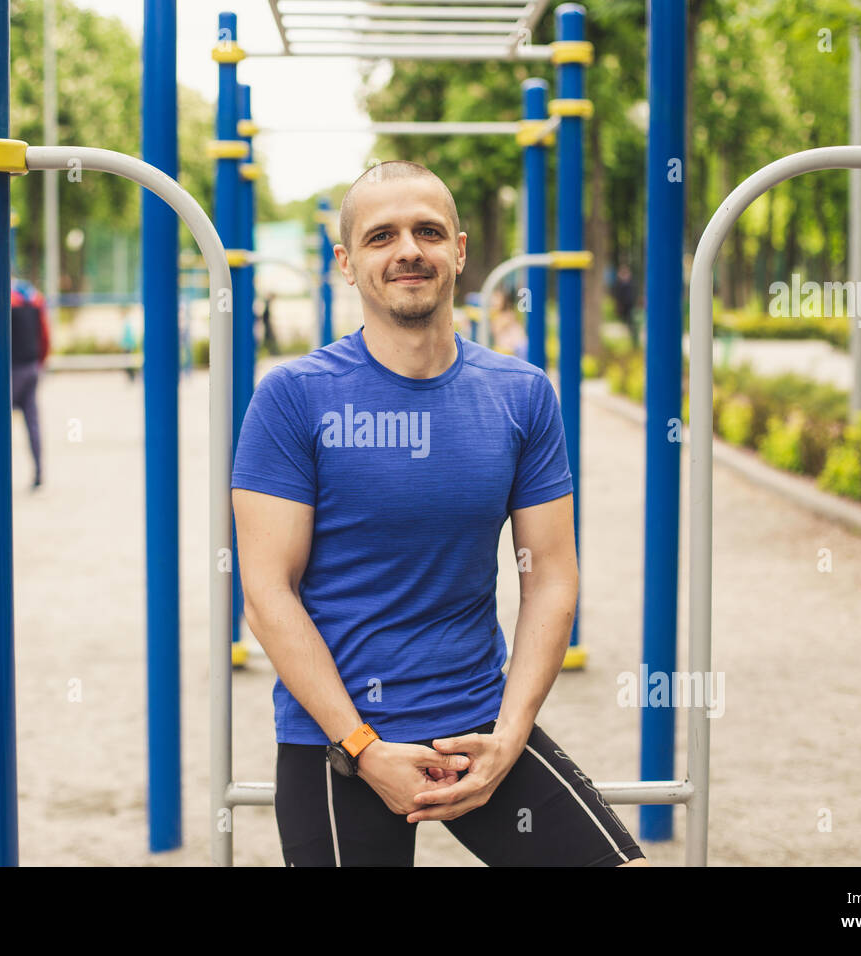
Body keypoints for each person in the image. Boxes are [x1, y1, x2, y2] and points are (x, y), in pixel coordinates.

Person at [230, 161, 647, 867]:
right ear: (346, 263)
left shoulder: (520, 395)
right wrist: (361, 747)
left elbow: (549, 574)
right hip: (338, 740)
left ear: (457, 250)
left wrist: (511, 736)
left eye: (426, 231)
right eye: (381, 236)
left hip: (481, 726)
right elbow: (268, 593)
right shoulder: (294, 398)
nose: (407, 251)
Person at [10, 278, 49, 489]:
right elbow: (44, 334)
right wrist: (40, 361)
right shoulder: (34, 298)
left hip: (11, 369)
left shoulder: (3, 299)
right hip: (32, 366)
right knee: (32, 422)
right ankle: (39, 471)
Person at [611, 263, 640, 349]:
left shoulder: (631, 283)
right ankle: (631, 339)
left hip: (630, 305)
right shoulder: (619, 283)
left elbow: (634, 294)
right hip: (624, 306)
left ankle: (634, 339)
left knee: (631, 323)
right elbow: (617, 295)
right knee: (627, 322)